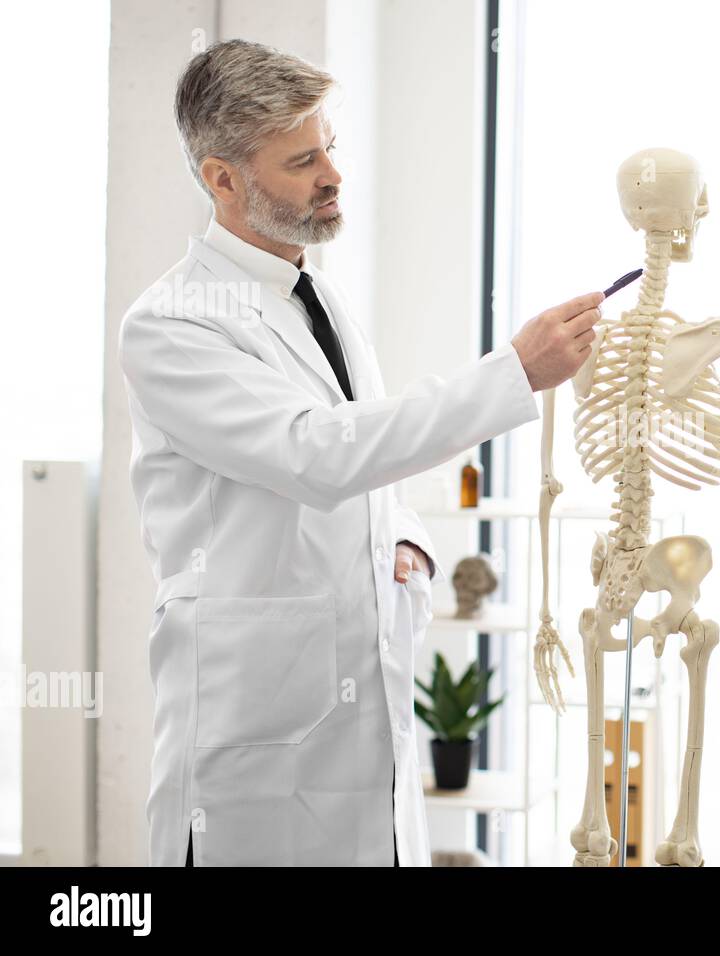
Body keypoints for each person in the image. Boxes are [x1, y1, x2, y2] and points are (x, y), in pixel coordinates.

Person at [119, 39, 602, 866]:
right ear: (222, 180)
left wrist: (403, 538)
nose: (332, 174)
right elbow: (316, 455)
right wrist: (513, 373)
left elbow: (358, 449)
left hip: (354, 707)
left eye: (330, 145)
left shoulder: (316, 294)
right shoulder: (172, 325)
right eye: (301, 159)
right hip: (253, 738)